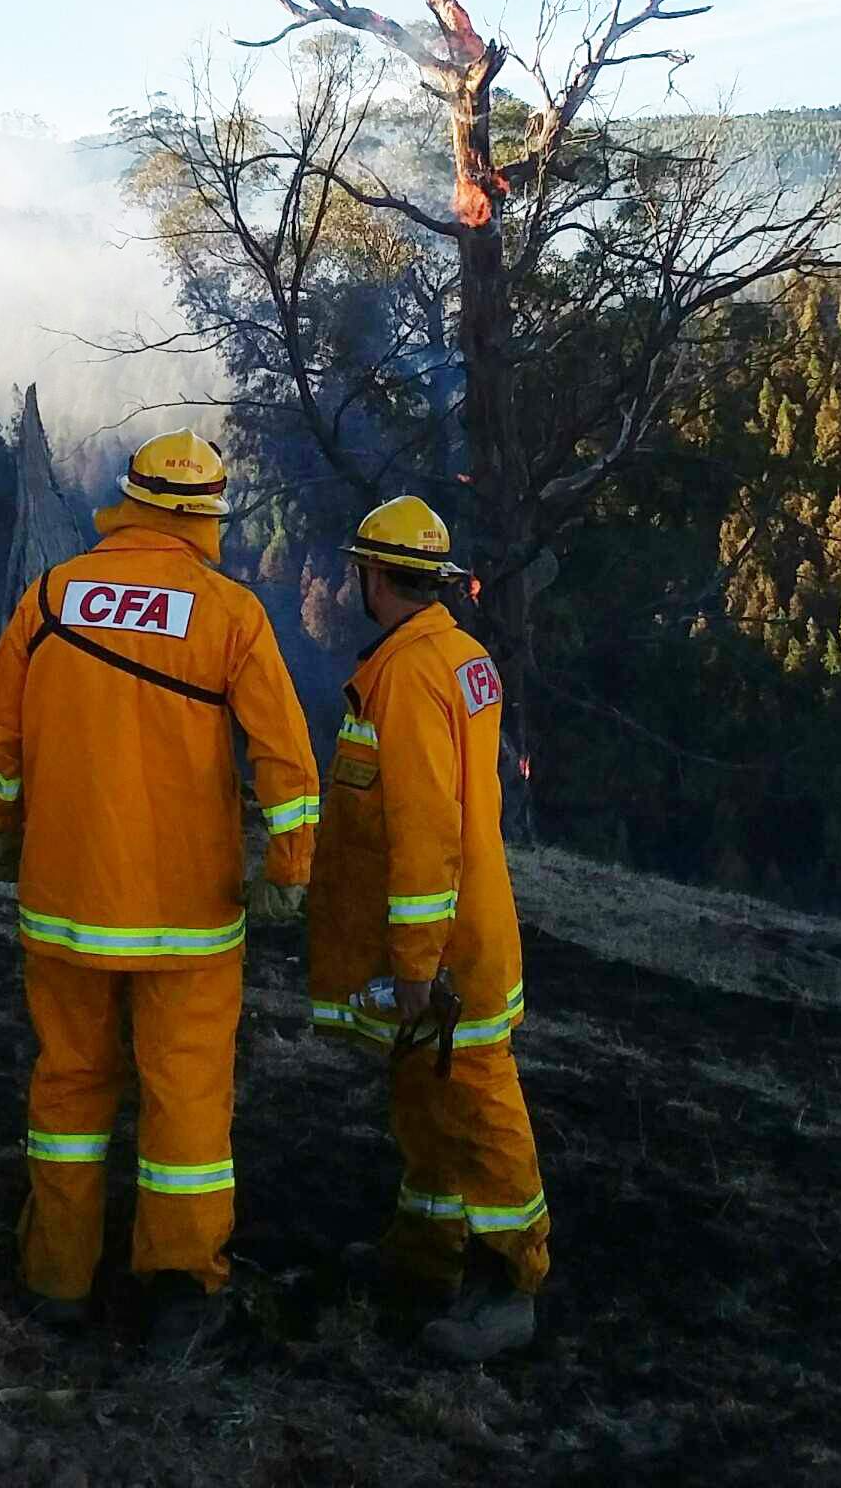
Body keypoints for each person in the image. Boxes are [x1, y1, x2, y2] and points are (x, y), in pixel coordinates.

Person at [0, 427, 319, 1353]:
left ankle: (55, 1278)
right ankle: (178, 1290)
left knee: (70, 1087)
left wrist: (8, 840)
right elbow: (285, 756)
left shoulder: (50, 596)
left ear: (127, 502)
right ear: (206, 515)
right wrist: (289, 869)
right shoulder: (229, 611)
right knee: (186, 1100)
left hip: (64, 901)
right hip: (188, 915)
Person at [308, 496, 549, 1363]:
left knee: (478, 1107)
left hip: (444, 950)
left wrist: (414, 958)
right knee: (426, 1100)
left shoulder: (409, 673)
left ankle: (509, 1283)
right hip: (470, 928)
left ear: (372, 576)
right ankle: (423, 1259)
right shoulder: (460, 654)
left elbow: (421, 824)